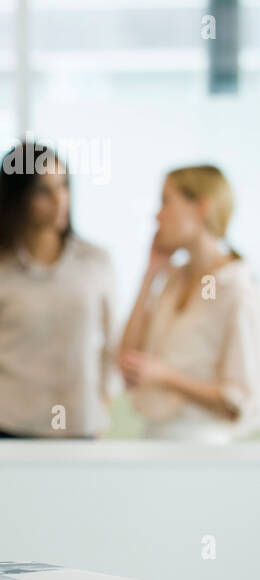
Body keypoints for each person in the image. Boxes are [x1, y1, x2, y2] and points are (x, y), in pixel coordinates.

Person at [0, 141, 118, 439]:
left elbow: (112, 347)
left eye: (63, 186)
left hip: (81, 432)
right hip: (7, 430)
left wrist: (102, 405)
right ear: (18, 199)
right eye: (44, 191)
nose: (60, 200)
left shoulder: (96, 263)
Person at [119, 165, 260, 441]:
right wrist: (150, 275)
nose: (157, 215)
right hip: (153, 438)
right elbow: (127, 359)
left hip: (202, 447)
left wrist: (167, 378)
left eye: (166, 202)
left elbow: (241, 399)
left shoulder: (237, 289)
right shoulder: (171, 281)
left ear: (201, 208)